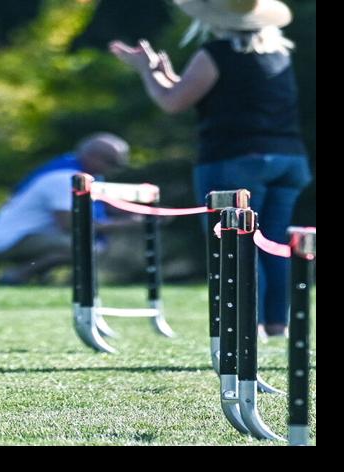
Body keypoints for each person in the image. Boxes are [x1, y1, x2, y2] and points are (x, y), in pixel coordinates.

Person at [111, 0, 309, 336]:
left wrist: (146, 70)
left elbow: (173, 101)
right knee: (274, 243)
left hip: (235, 160)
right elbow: (205, 92)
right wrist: (163, 72)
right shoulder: (277, 54)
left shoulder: (216, 53)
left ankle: (250, 326)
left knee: (236, 245)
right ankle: (277, 324)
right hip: (288, 159)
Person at [0, 133, 133, 285]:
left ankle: (38, 279)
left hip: (31, 234)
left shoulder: (78, 173)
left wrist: (142, 213)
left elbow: (110, 206)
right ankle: (16, 276)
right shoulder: (66, 178)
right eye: (112, 163)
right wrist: (127, 224)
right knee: (85, 247)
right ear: (92, 156)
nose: (114, 170)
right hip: (12, 238)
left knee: (86, 245)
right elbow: (70, 225)